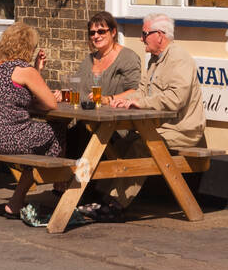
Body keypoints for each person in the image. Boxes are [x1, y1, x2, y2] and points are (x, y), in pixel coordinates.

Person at [88, 13, 206, 219]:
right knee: (121, 142)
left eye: (144, 34)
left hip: (182, 130)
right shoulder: (154, 60)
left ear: (159, 35)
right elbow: (142, 91)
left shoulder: (179, 58)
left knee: (142, 145)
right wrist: (119, 100)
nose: (141, 39)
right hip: (160, 127)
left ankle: (116, 204)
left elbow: (176, 98)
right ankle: (101, 198)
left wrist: (138, 103)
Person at [0, 23, 64, 216]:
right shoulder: (24, 70)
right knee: (57, 132)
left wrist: (37, 70)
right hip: (4, 137)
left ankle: (30, 194)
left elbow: (14, 99)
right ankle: (43, 192)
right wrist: (36, 73)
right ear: (28, 47)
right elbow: (51, 104)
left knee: (35, 140)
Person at [76, 11, 141, 100]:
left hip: (113, 112)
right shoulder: (89, 59)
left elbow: (135, 92)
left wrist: (108, 99)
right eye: (92, 33)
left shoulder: (127, 57)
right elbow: (75, 85)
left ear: (113, 32)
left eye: (101, 31)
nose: (96, 36)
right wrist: (63, 94)